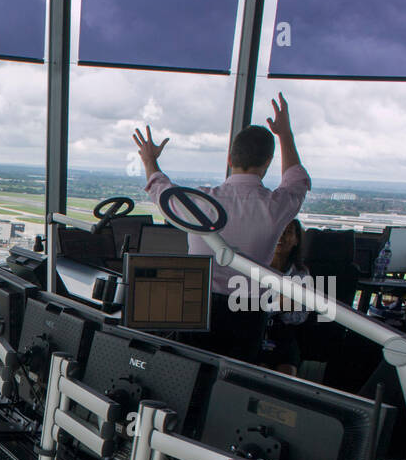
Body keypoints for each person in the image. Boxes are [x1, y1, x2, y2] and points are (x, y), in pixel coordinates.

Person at [133, 93, 311, 364]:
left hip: (194, 304)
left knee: (188, 379)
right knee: (232, 387)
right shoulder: (276, 207)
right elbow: (296, 179)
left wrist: (149, 159)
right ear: (267, 163)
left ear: (230, 159)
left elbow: (159, 189)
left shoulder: (198, 203)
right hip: (247, 311)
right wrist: (284, 134)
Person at [261, 219, 311, 374]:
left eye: (288, 232)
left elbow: (302, 315)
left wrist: (283, 311)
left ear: (296, 240)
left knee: (287, 373)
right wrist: (278, 306)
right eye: (279, 231)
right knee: (260, 370)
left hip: (282, 333)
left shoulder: (301, 274)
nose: (281, 237)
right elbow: (246, 309)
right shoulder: (254, 266)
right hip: (256, 329)